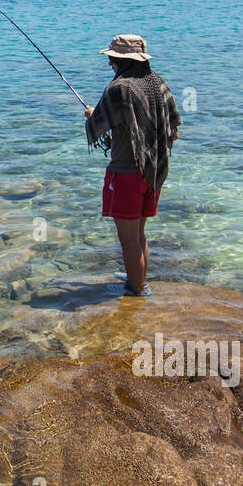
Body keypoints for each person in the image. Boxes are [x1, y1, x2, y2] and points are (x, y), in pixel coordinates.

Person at [83, 34, 181, 297]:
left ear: (120, 60)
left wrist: (92, 114)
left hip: (126, 174)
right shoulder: (158, 83)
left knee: (128, 240)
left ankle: (136, 290)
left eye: (113, 59)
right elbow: (174, 132)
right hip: (153, 172)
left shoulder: (119, 89)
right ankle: (137, 280)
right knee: (139, 234)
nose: (110, 65)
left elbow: (97, 126)